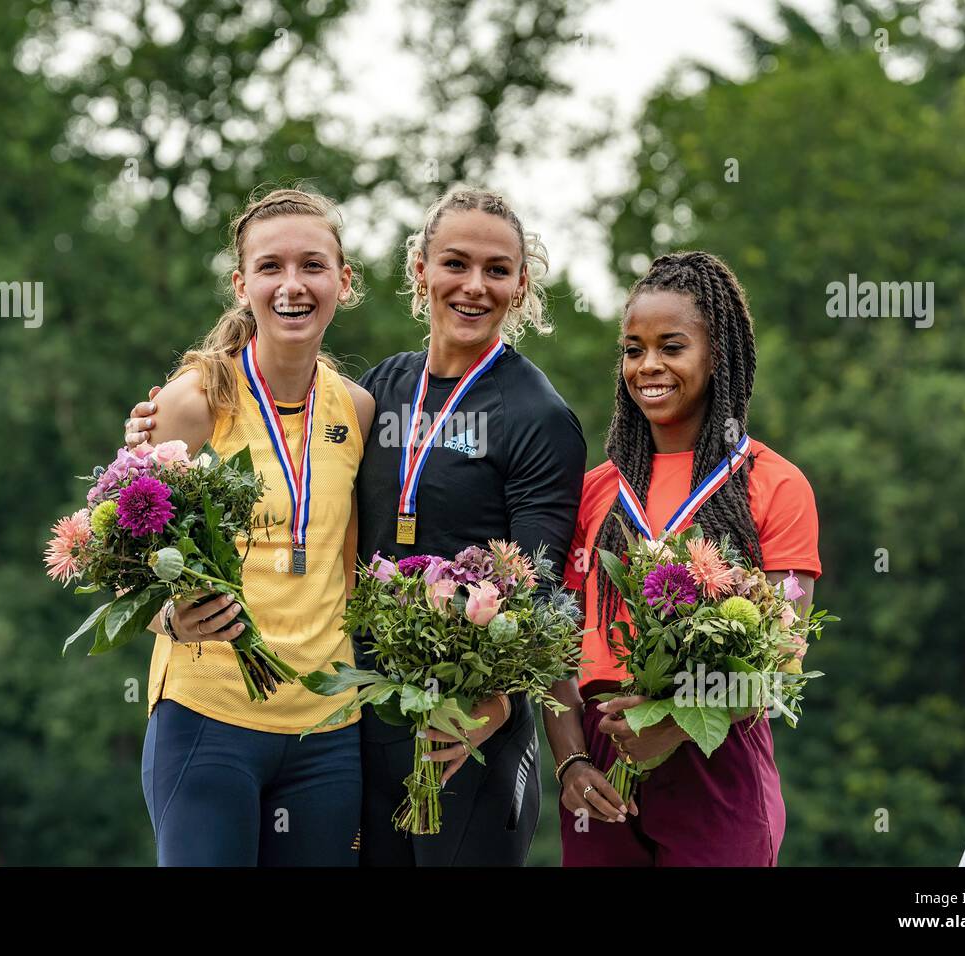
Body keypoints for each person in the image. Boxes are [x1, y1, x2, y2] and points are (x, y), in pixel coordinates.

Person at [128, 186, 586, 866]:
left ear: (521, 286)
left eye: (497, 270)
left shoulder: (535, 416)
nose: (473, 286)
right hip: (359, 717)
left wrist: (486, 710)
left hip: (458, 730)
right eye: (455, 264)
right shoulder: (381, 392)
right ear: (419, 270)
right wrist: (164, 605)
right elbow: (137, 534)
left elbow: (543, 596)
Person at [551, 251, 821, 866]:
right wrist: (569, 758)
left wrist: (670, 729)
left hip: (714, 750)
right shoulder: (595, 492)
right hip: (601, 756)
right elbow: (555, 646)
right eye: (633, 349)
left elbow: (784, 650)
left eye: (671, 347)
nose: (649, 366)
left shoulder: (774, 485)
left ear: (717, 353)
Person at [133, 187, 374, 866]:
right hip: (208, 722)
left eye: (312, 266)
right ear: (242, 285)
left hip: (328, 729)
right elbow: (124, 560)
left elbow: (348, 564)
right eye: (270, 268)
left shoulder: (357, 410)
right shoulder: (194, 402)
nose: (291, 285)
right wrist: (169, 620)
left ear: (343, 281)